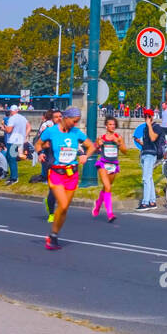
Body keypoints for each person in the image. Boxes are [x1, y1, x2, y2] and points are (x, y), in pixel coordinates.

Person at [38, 107, 94, 250]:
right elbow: (38, 143)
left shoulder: (76, 132)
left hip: (72, 174)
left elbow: (91, 146)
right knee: (62, 205)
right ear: (66, 118)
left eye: (77, 121)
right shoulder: (51, 131)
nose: (75, 124)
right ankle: (53, 236)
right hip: (56, 173)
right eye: (74, 121)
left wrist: (85, 155)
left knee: (64, 209)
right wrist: (40, 153)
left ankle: (53, 235)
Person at [92, 116, 125, 223]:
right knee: (107, 187)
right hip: (103, 164)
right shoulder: (101, 137)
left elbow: (125, 151)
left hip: (113, 165)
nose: (112, 126)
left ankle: (98, 204)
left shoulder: (118, 137)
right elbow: (95, 149)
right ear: (106, 126)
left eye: (114, 124)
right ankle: (110, 214)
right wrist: (98, 145)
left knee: (106, 188)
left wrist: (118, 143)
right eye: (110, 124)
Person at [133, 109, 161, 210]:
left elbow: (153, 138)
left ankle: (145, 203)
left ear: (152, 117)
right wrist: (139, 142)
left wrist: (149, 125)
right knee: (149, 178)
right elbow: (146, 143)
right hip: (145, 153)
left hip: (151, 154)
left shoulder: (156, 127)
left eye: (149, 116)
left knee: (145, 178)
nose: (146, 118)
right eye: (145, 116)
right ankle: (152, 202)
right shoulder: (145, 128)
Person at [2, 104, 28, 184]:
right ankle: (13, 175)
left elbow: (9, 131)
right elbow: (29, 127)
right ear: (17, 110)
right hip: (20, 140)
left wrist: (3, 128)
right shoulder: (23, 118)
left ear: (11, 111)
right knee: (9, 157)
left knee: (11, 158)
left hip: (13, 141)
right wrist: (25, 135)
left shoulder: (12, 118)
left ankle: (14, 177)